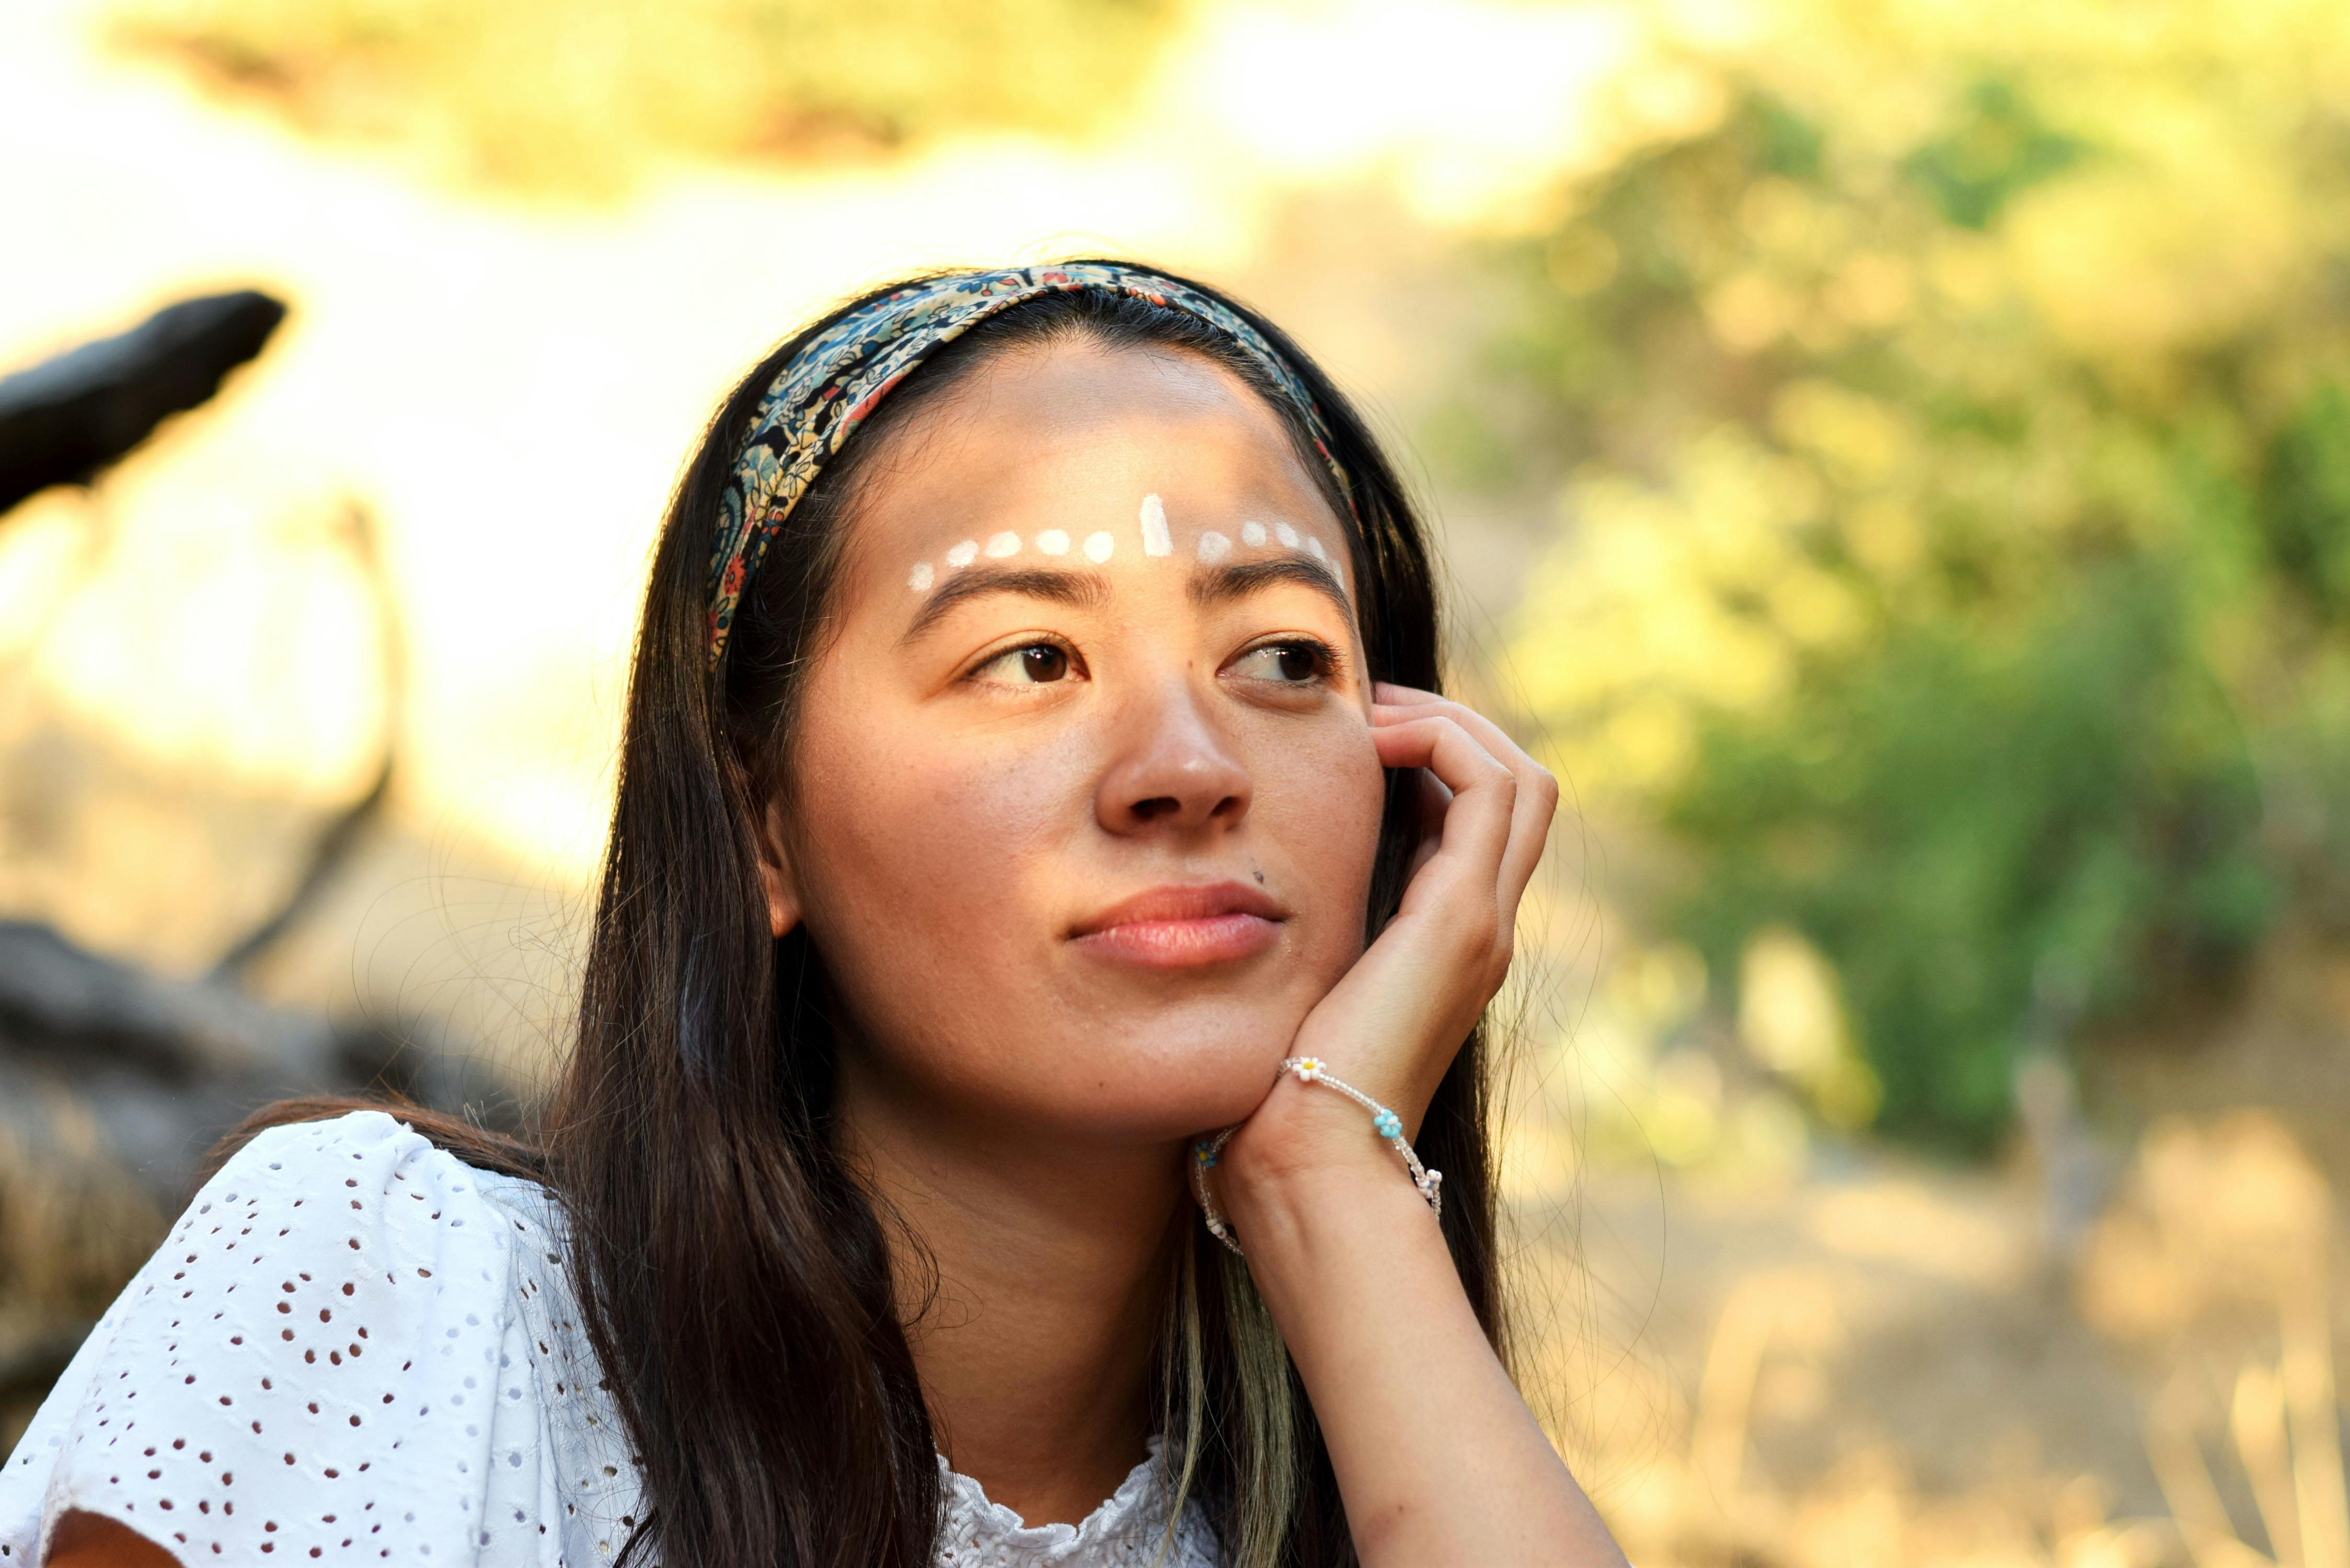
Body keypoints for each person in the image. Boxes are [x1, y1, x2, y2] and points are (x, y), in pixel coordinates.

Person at [0, 262, 1628, 1567]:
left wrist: (1334, 1180)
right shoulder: (401, 1298)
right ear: (761, 823)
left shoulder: (1380, 1480)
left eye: (1283, 658)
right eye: (1029, 660)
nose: (1188, 767)